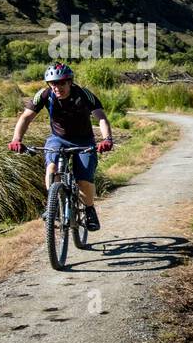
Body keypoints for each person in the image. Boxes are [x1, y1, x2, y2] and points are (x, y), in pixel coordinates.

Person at [8, 63, 114, 231]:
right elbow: (26, 118)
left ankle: (89, 210)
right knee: (52, 168)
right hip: (58, 139)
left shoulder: (83, 94)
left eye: (61, 83)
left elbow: (100, 117)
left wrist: (107, 139)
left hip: (84, 141)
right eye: (53, 83)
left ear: (70, 82)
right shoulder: (44, 95)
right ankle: (53, 206)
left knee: (83, 179)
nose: (57, 87)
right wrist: (16, 139)